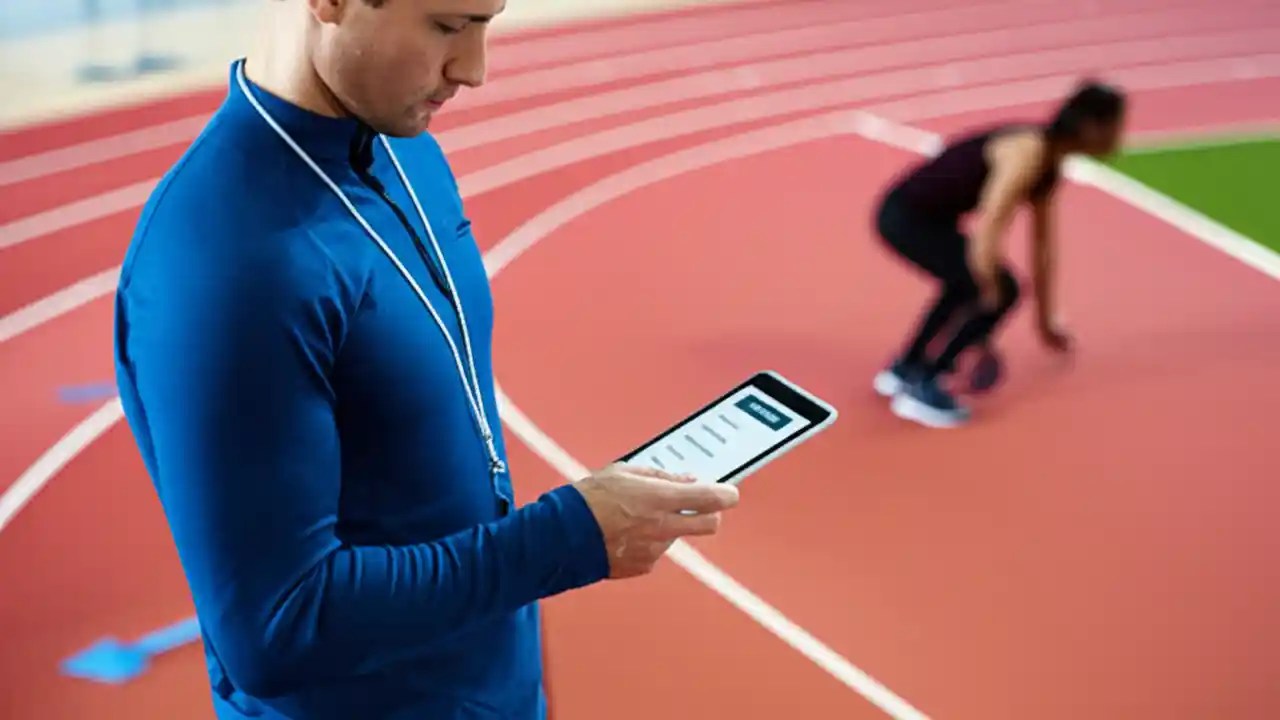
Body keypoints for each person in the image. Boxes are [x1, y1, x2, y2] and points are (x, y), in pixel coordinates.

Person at [112, 1, 740, 718]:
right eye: (448, 25)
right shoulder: (225, 264)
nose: (473, 70)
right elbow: (277, 629)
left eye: (488, 23)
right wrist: (569, 537)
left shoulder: (403, 147)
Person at [870, 80, 1127, 428]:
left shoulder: (1048, 163)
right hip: (904, 216)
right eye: (1116, 126)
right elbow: (992, 218)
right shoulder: (1028, 151)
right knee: (996, 288)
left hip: (923, 219)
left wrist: (1045, 322)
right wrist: (989, 281)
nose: (1119, 136)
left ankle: (906, 369)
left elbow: (1043, 249)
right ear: (1091, 126)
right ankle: (924, 387)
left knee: (967, 283)